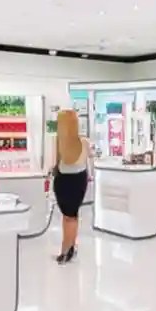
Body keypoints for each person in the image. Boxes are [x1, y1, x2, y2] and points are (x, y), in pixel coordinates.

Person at [52, 109, 92, 264]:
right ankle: (70, 247)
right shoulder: (83, 142)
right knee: (71, 216)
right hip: (78, 180)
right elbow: (89, 161)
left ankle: (66, 249)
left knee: (68, 216)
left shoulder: (59, 141)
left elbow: (55, 164)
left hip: (63, 180)